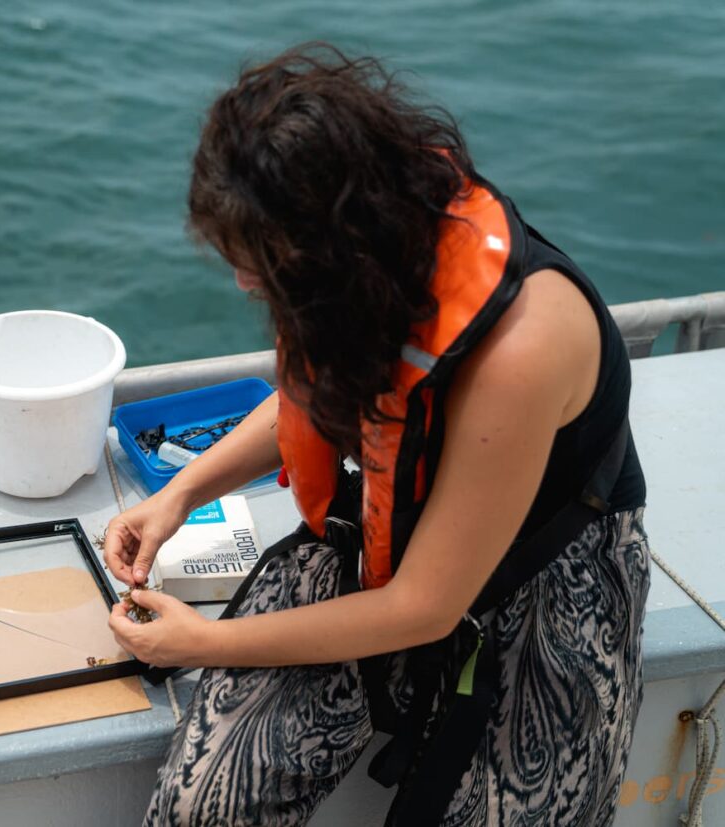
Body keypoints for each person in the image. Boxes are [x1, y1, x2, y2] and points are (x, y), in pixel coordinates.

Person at [103, 42, 649, 827]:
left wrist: (203, 642)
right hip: (383, 544)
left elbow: (426, 605)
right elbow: (314, 404)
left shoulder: (523, 347)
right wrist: (182, 494)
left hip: (541, 577)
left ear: (330, 248)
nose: (244, 283)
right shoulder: (367, 268)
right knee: (199, 808)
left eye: (259, 264)